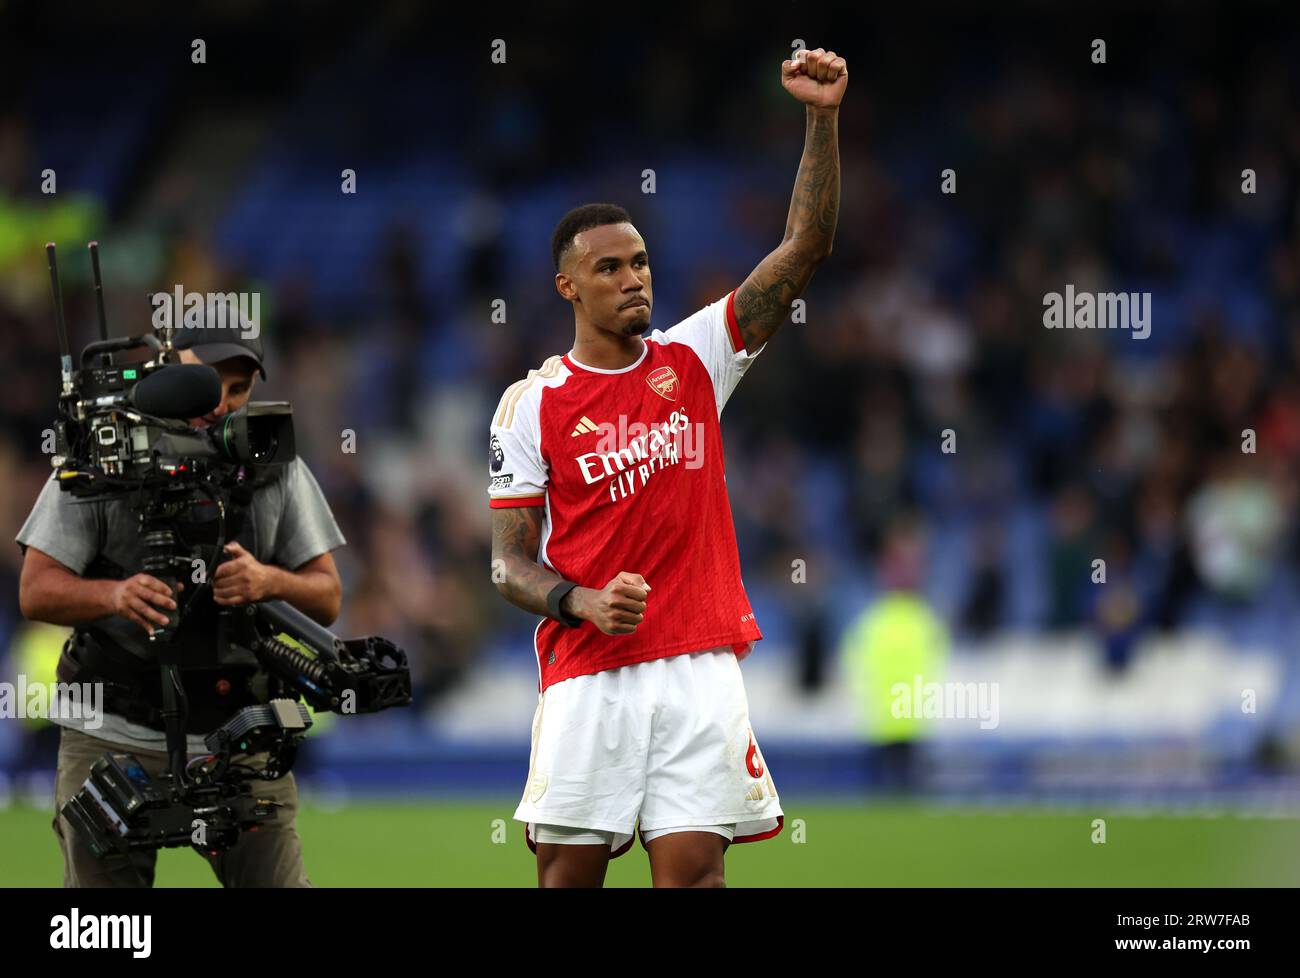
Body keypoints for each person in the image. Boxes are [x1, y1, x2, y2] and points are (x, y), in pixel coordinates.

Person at [489, 46, 846, 887]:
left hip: (696, 663)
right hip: (588, 672)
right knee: (567, 879)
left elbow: (806, 246)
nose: (632, 279)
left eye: (640, 262)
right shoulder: (531, 404)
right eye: (607, 268)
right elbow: (506, 562)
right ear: (567, 287)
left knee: (693, 877)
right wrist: (580, 600)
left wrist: (821, 120)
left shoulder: (695, 360)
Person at [16, 328, 345, 887]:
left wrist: (268, 581)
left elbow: (328, 595)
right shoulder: (103, 451)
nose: (222, 403)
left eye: (239, 388)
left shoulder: (271, 459)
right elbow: (36, 589)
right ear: (165, 372)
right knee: (106, 934)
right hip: (111, 732)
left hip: (240, 734)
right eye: (207, 382)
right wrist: (115, 595)